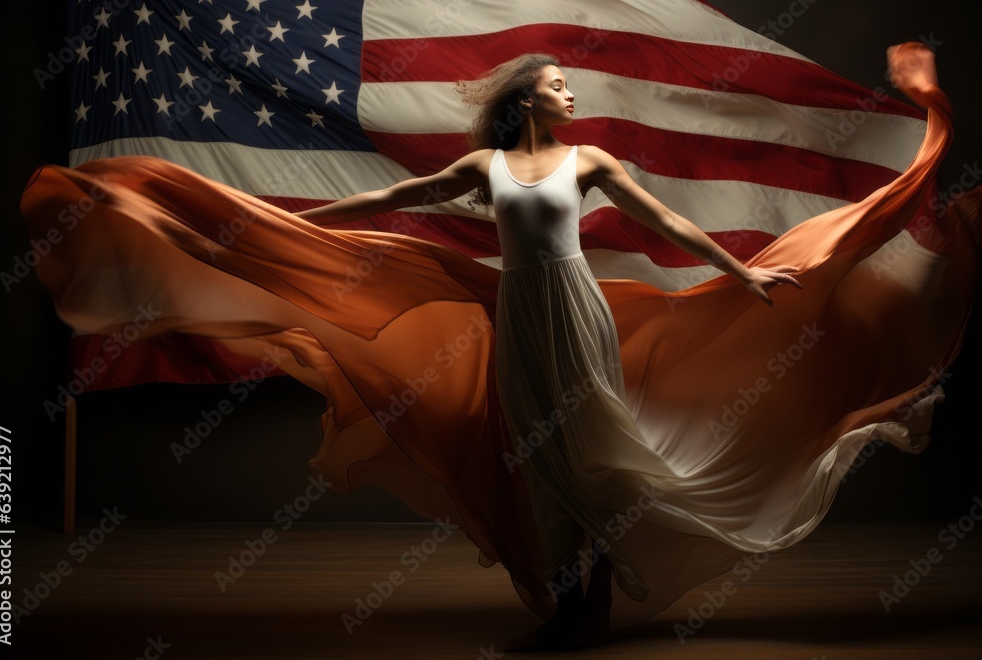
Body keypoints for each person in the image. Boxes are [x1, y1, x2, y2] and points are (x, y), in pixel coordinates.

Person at [296, 52, 802, 650]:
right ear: (524, 102)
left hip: (576, 308)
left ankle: (599, 598)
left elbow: (664, 218)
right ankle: (569, 607)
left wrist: (743, 273)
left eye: (568, 87)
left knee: (598, 447)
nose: (570, 96)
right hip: (522, 313)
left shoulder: (587, 161)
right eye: (557, 87)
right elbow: (397, 194)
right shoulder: (488, 165)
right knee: (540, 459)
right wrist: (300, 226)